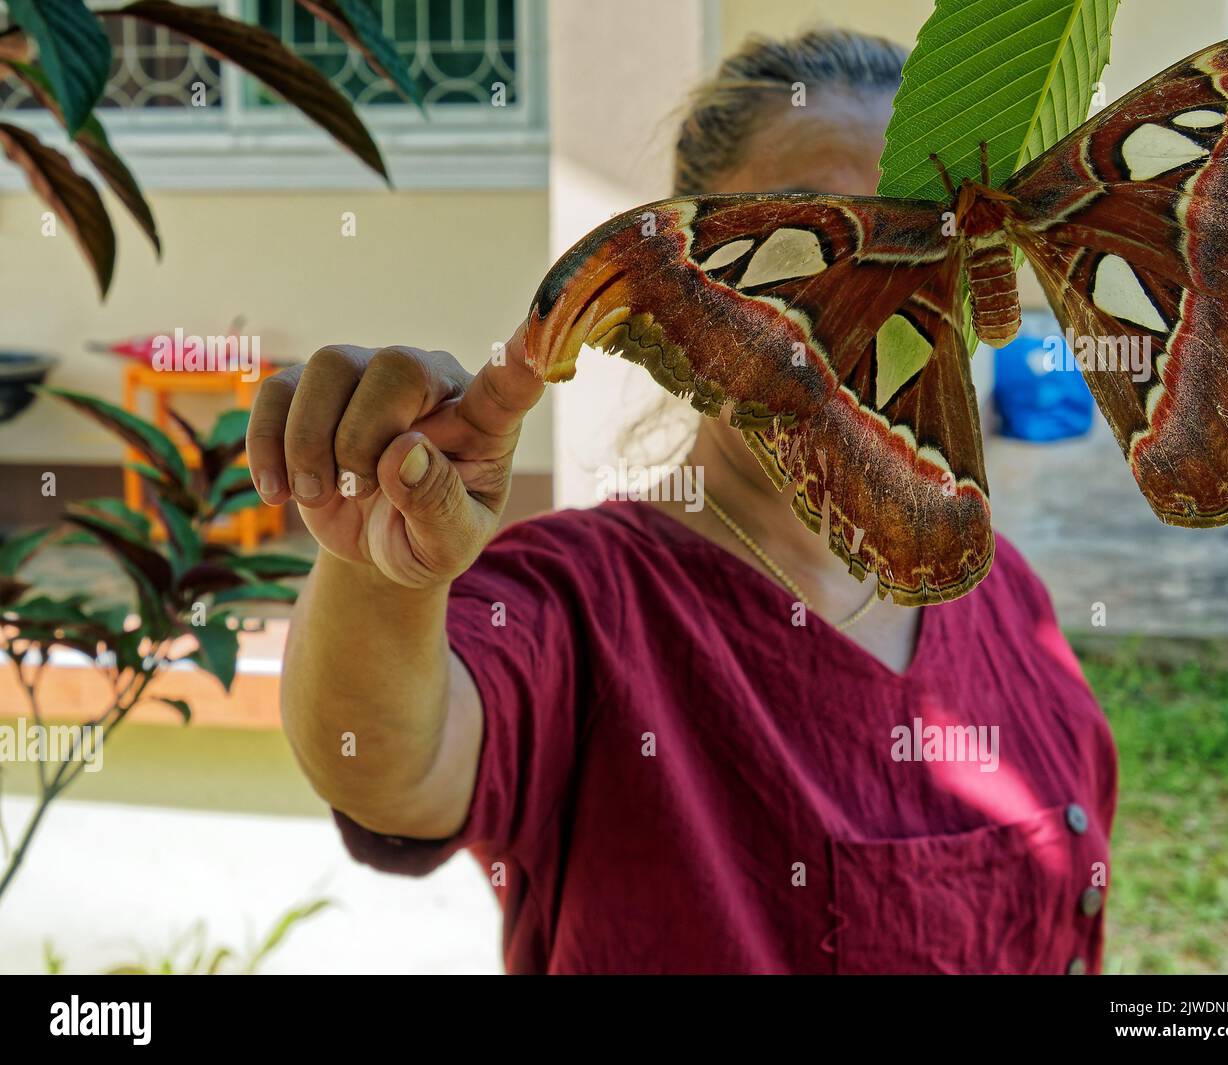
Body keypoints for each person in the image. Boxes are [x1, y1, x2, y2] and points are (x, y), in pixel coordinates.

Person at [249, 29, 1117, 975]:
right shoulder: (590, 601)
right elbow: (396, 767)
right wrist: (383, 573)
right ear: (693, 299)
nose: (893, 289)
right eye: (815, 241)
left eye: (931, 239)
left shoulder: (1003, 597)